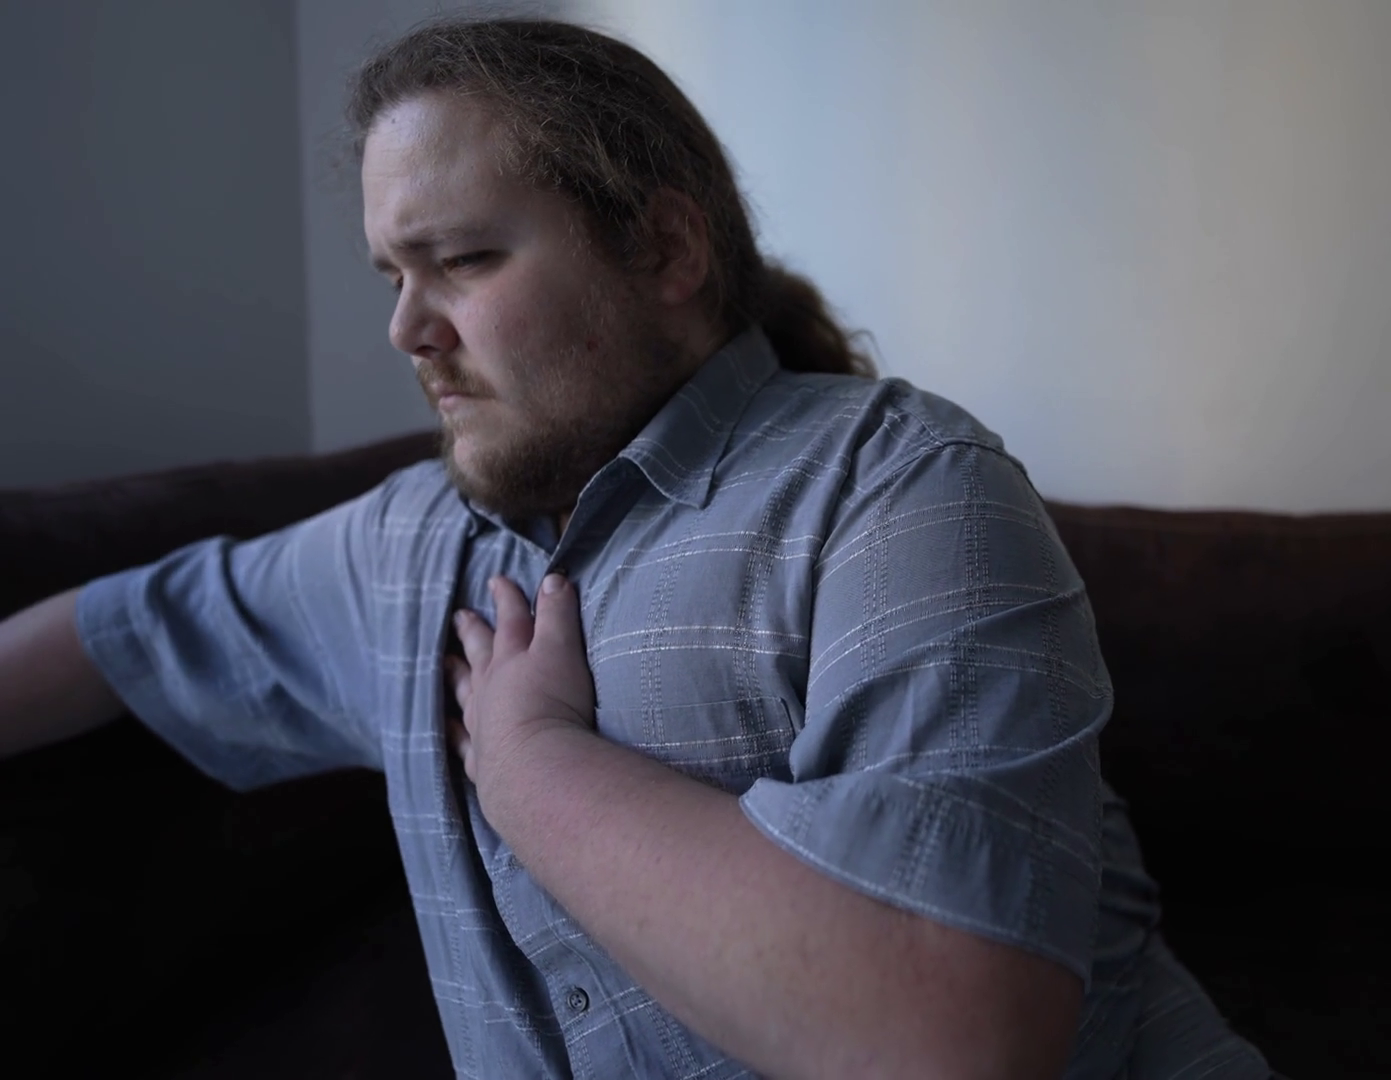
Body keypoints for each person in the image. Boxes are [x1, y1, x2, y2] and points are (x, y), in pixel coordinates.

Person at [0, 17, 1270, 1079]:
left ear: (662, 248)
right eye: (391, 272)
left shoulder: (902, 483)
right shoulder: (399, 547)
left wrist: (532, 763)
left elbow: (948, 1039)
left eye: (462, 260)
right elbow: (123, 632)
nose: (405, 329)